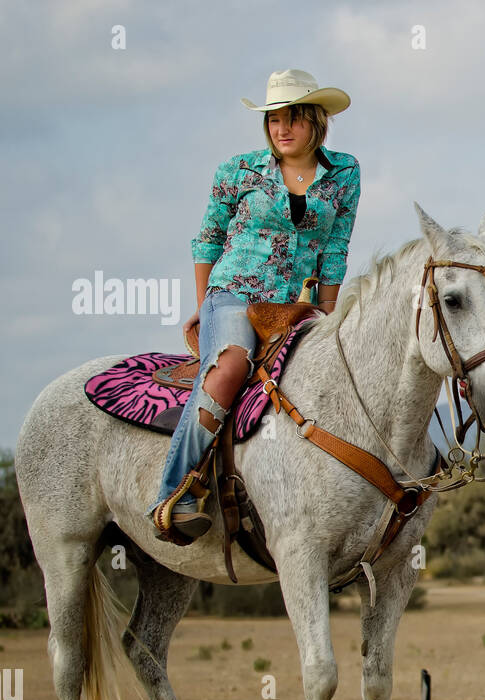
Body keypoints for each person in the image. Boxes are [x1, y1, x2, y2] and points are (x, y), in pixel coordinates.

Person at [150, 69, 360, 543]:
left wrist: (327, 314)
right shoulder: (237, 170)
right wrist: (205, 305)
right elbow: (208, 238)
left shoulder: (345, 172)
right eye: (272, 121)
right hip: (233, 294)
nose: (281, 130)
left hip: (296, 307)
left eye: (292, 120)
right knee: (229, 368)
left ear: (316, 122)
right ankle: (173, 495)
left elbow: (336, 248)